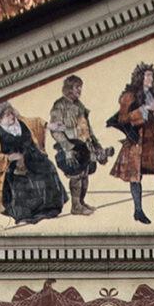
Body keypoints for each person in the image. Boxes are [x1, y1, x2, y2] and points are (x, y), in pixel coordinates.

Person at [107, 62, 154, 225]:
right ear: (140, 77)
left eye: (152, 75)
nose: (151, 78)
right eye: (147, 75)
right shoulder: (129, 96)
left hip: (153, 139)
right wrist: (145, 109)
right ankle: (138, 211)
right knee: (135, 175)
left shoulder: (153, 95)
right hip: (137, 140)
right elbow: (123, 118)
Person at [0, 103, 67, 226]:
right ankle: (26, 214)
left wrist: (50, 126)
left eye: (12, 113)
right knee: (21, 180)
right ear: (0, 118)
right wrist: (8, 157)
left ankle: (50, 208)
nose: (11, 116)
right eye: (7, 115)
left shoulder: (22, 122)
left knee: (48, 167)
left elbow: (37, 122)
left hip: (34, 157)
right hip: (11, 164)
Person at [45, 76, 106, 216]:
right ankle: (75, 206)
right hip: (70, 147)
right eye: (77, 87)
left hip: (84, 145)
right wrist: (67, 148)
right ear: (69, 88)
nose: (80, 90)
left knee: (85, 175)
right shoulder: (59, 105)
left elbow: (87, 128)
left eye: (80, 87)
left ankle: (81, 202)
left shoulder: (80, 105)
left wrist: (96, 145)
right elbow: (55, 130)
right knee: (77, 176)